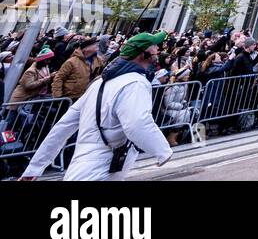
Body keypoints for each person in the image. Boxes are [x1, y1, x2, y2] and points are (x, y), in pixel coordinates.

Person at [21, 32, 172, 181]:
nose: (158, 50)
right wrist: (162, 151)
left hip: (83, 164)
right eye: (154, 47)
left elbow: (64, 125)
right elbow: (137, 124)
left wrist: (35, 166)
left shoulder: (99, 83)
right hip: (103, 166)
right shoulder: (135, 83)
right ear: (143, 54)